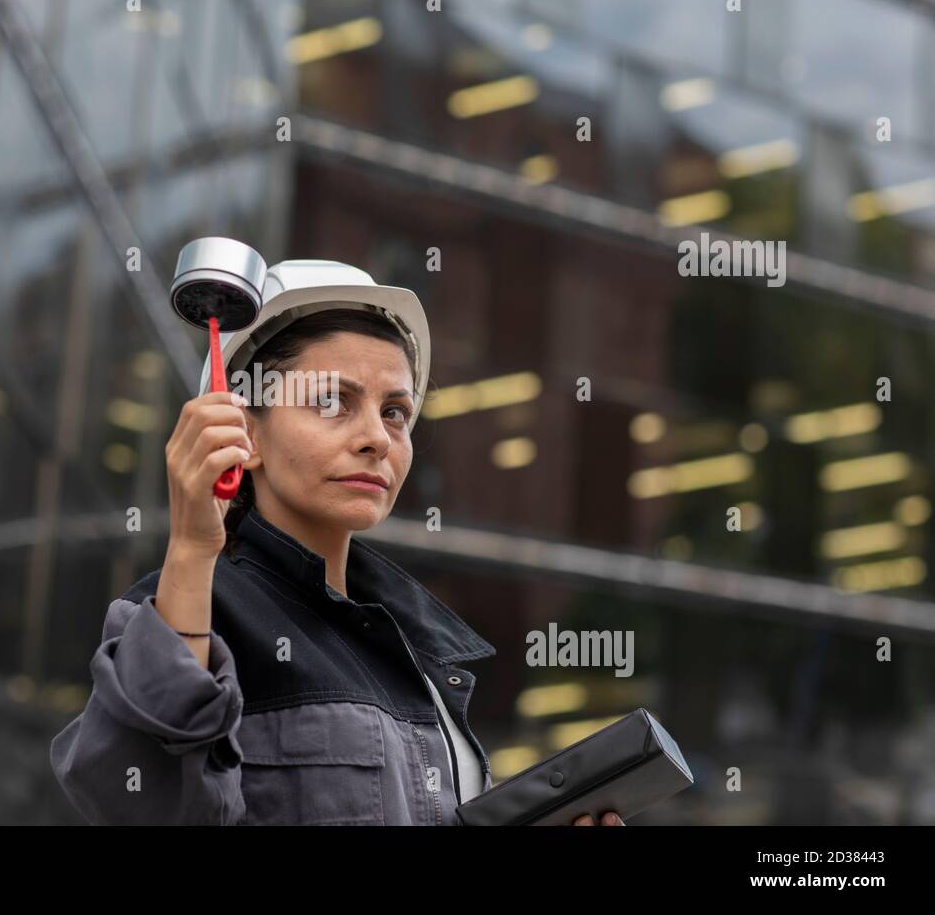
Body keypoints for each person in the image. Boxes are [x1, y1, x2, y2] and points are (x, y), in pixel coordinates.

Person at [50, 255, 624, 826]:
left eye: (395, 412)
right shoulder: (184, 612)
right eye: (332, 401)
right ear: (242, 432)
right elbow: (143, 801)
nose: (377, 437)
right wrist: (193, 551)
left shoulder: (420, 656)